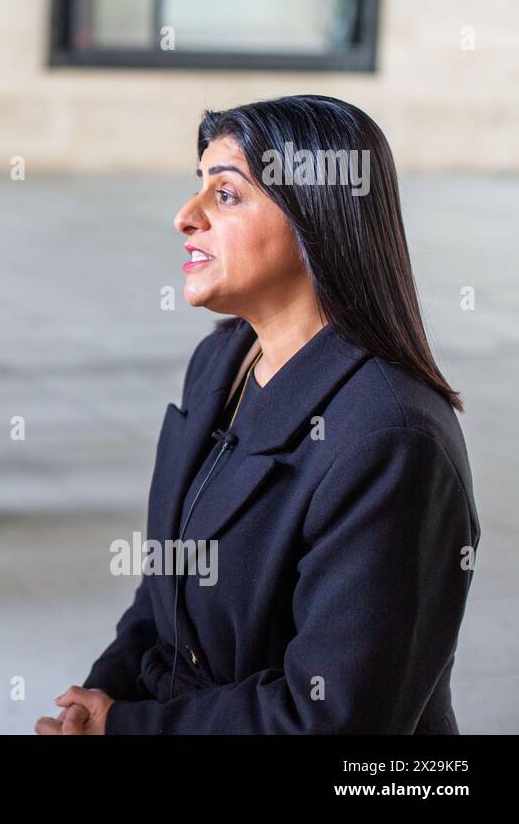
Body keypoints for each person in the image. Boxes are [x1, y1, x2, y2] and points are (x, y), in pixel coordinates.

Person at [38, 96, 479, 734]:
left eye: (226, 195)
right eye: (199, 187)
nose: (185, 217)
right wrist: (102, 693)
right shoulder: (221, 361)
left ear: (316, 219)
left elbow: (333, 718)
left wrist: (130, 727)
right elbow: (169, 582)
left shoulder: (389, 439)